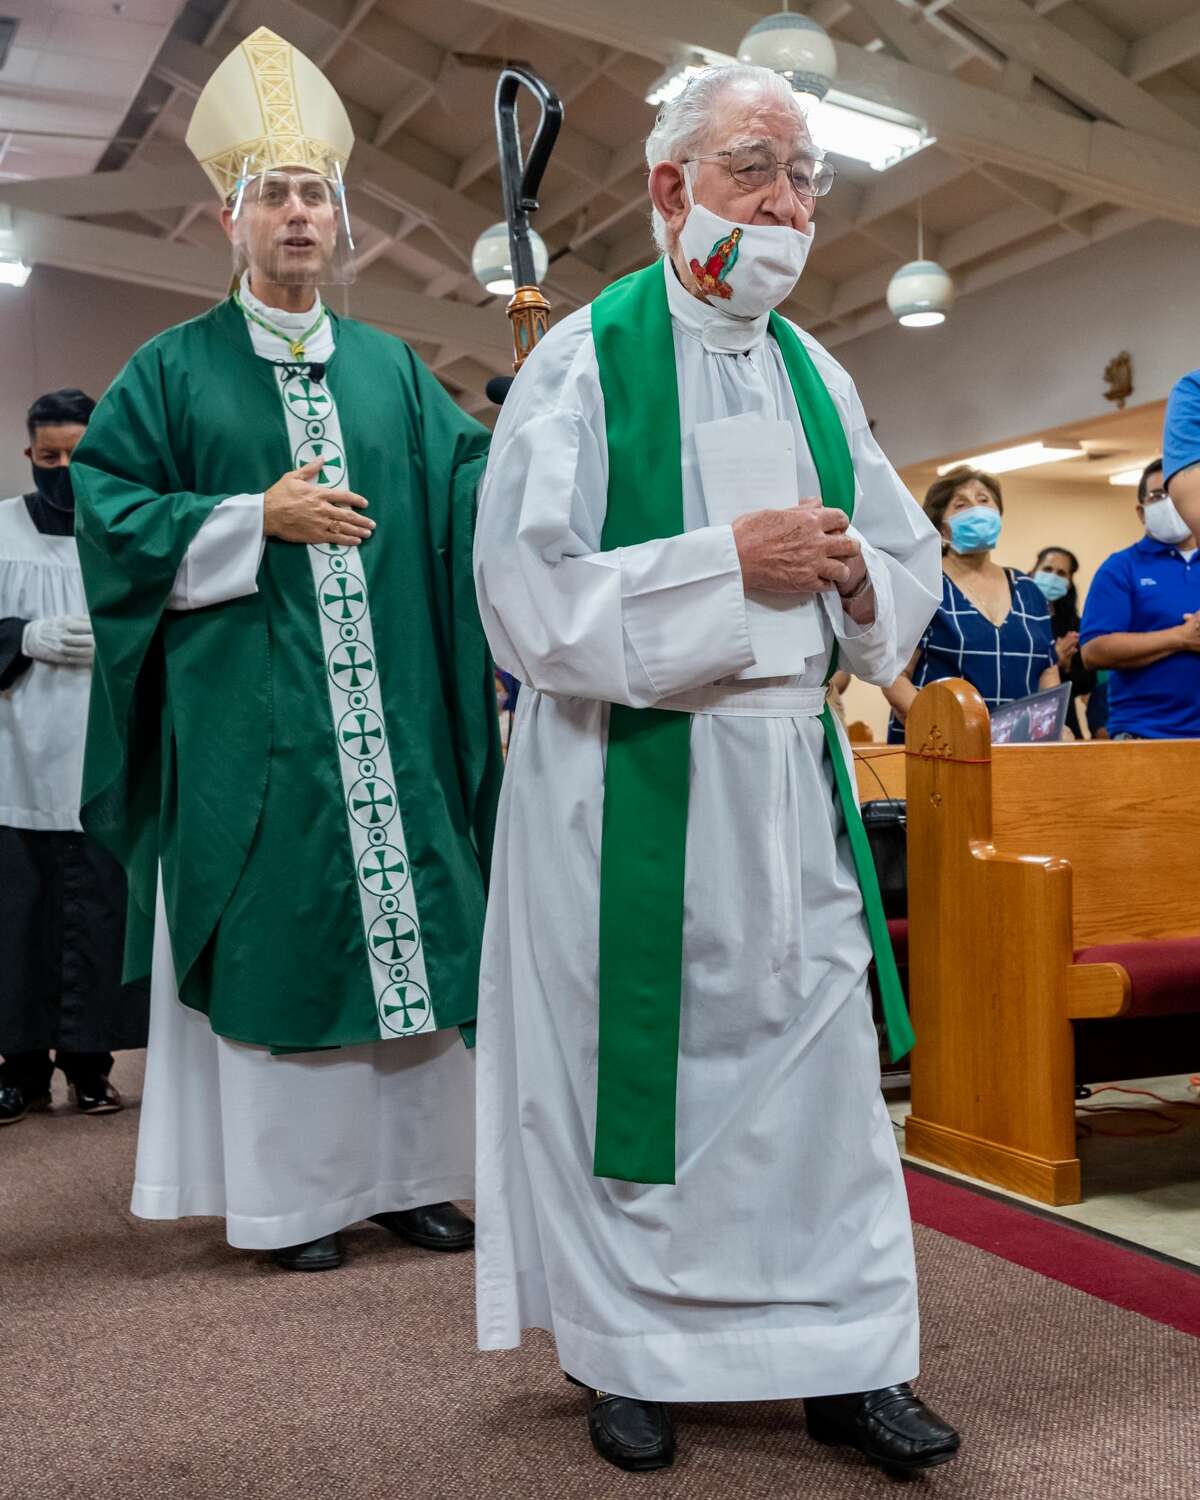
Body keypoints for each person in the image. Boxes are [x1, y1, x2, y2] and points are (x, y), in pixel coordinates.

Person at [473, 64, 959, 1478]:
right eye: (761, 169)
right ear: (671, 188)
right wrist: (720, 565)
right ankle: (630, 1358)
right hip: (633, 764)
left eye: (809, 178)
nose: (793, 204)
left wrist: (860, 571)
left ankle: (849, 1360)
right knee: (645, 1081)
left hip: (784, 775)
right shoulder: (581, 357)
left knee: (819, 1080)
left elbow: (904, 562)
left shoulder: (821, 368)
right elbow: (522, 591)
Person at [70, 28, 501, 1272]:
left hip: (396, 725)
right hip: (253, 735)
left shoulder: (394, 371)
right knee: (280, 936)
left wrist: (537, 433)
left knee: (415, 928)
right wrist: (250, 516)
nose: (298, 214)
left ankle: (415, 1180)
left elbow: (476, 497)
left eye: (316, 193)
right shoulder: (170, 371)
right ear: (229, 220)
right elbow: (111, 512)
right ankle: (291, 1203)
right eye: (274, 194)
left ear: (344, 221)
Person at [0, 389, 149, 1125]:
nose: (63, 470)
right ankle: (18, 1068)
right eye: (49, 457)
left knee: (98, 921)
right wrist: (20, 638)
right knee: (18, 922)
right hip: (15, 764)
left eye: (77, 457)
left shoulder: (125, 537)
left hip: (101, 764)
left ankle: (92, 1067)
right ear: (30, 456)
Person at [884, 467, 1059, 741]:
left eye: (984, 500)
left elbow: (1047, 669)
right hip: (940, 745)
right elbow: (894, 675)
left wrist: (1050, 724)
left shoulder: (1028, 589)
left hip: (1019, 747)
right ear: (942, 527)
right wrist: (937, 729)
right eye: (961, 505)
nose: (976, 509)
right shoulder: (924, 585)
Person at [1078, 458, 1200, 739]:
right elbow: (1094, 651)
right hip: (1146, 735)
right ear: (1142, 512)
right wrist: (1181, 637)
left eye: (1177, 495)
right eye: (1158, 496)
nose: (1170, 504)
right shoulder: (1121, 568)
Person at [1030, 545, 1095, 738]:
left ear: (1069, 582)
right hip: (1023, 714)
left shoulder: (1075, 626)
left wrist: (1065, 668)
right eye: (1047, 569)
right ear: (1033, 572)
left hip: (1065, 719)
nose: (1053, 577)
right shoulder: (1018, 618)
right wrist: (1053, 657)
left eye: (1061, 573)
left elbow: (1087, 682)